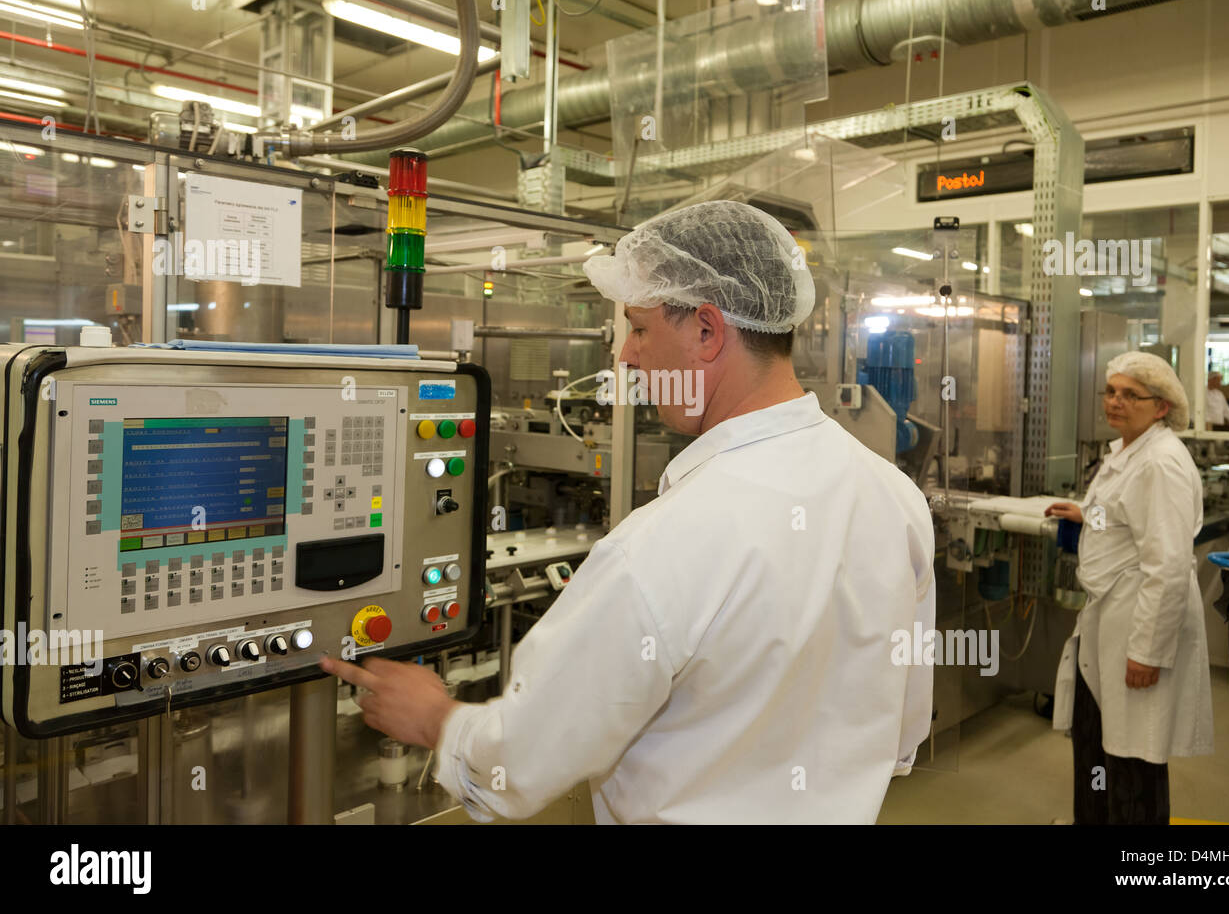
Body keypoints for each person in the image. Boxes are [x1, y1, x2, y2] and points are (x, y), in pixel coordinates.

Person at [321, 200, 937, 823]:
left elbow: (522, 764)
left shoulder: (666, 546)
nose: (625, 357)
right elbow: (902, 731)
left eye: (639, 329)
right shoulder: (895, 497)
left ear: (706, 330)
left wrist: (435, 719)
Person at [1044, 352, 1213, 824]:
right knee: (1095, 743)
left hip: (1136, 627)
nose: (1115, 402)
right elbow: (1125, 516)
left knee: (1132, 760)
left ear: (1161, 407)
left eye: (1130, 395)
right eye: (1111, 391)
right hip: (1108, 622)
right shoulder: (1127, 452)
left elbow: (1169, 564)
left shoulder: (1160, 463)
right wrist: (1088, 514)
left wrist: (1147, 651)